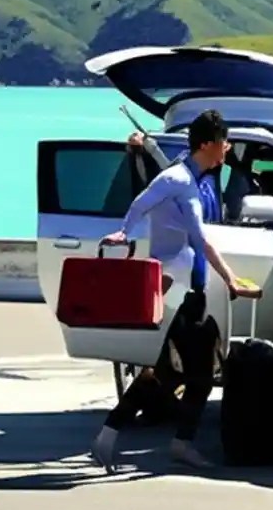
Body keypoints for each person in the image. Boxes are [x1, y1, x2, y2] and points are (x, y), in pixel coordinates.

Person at [91, 109, 261, 472]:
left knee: (171, 371)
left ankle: (115, 437)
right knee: (192, 373)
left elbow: (199, 239)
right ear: (207, 144)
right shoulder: (177, 178)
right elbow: (144, 202)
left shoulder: (195, 178)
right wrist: (125, 230)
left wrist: (226, 279)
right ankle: (165, 442)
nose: (228, 148)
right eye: (224, 142)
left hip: (191, 288)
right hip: (175, 289)